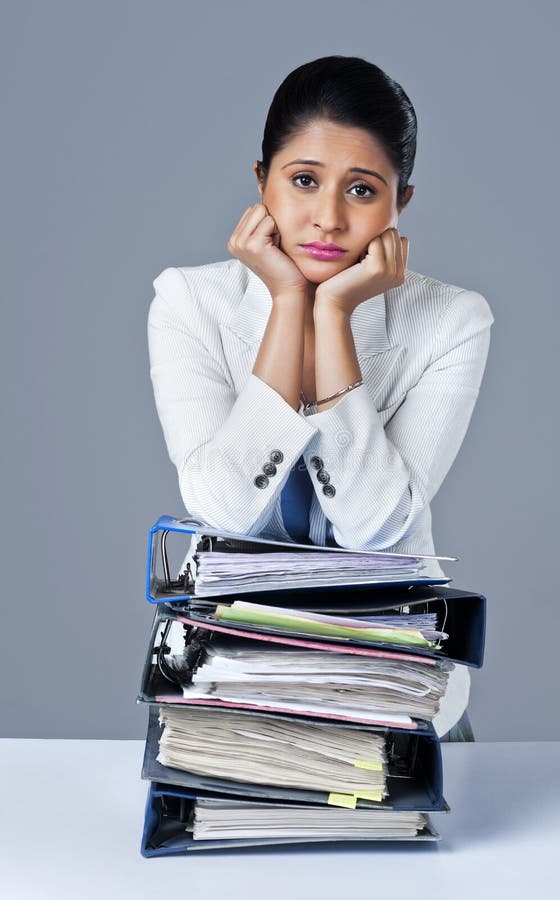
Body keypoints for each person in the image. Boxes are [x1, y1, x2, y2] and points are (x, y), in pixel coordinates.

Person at [147, 55, 494, 742]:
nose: (328, 218)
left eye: (362, 191)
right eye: (304, 181)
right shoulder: (188, 302)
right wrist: (286, 303)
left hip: (391, 681)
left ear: (402, 205)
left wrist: (332, 320)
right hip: (235, 682)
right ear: (262, 182)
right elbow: (220, 505)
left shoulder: (452, 321)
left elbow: (374, 527)